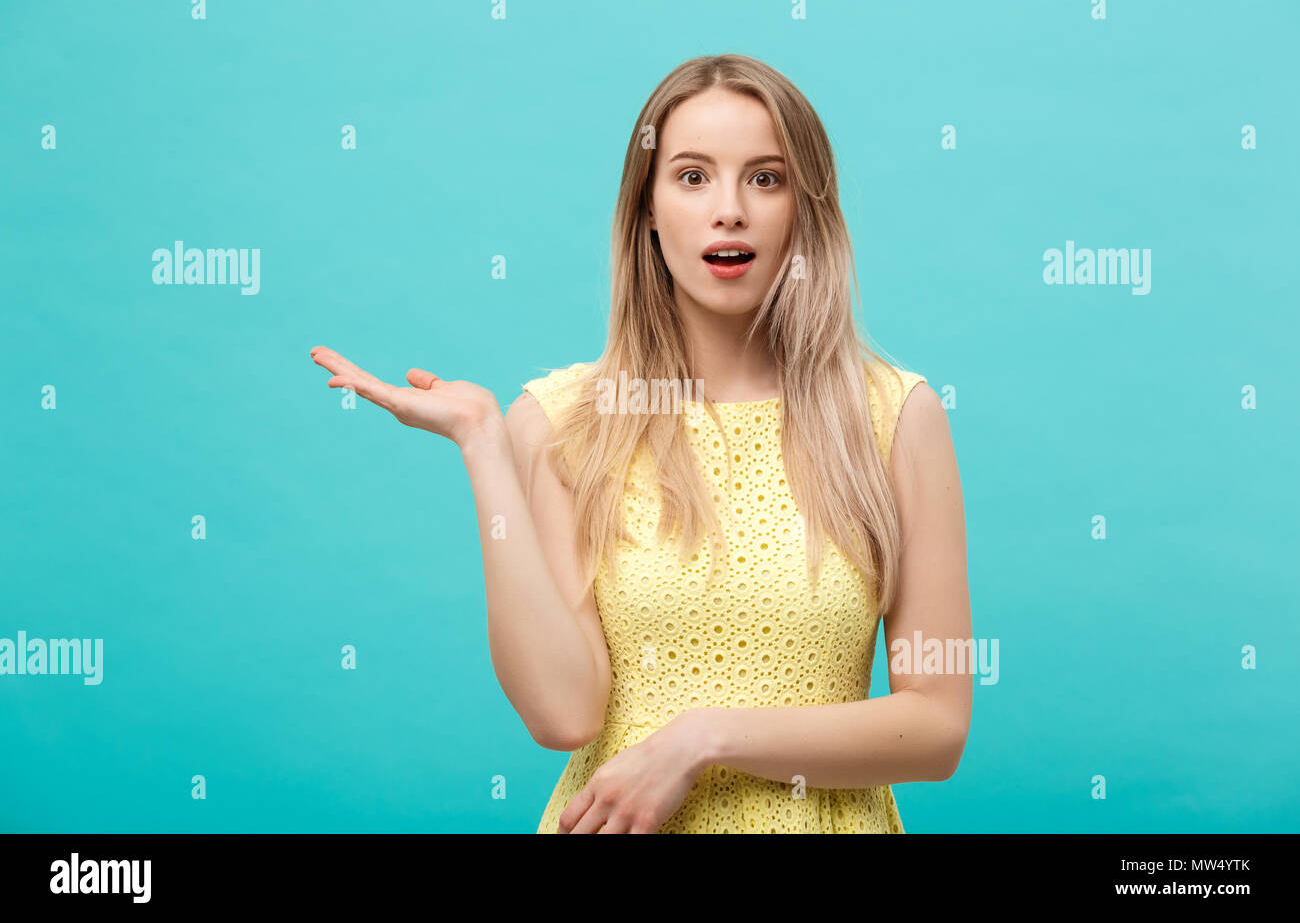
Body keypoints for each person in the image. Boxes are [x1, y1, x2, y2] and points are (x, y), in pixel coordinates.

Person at [310, 53, 971, 833]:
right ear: (648, 209)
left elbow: (937, 727)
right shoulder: (561, 421)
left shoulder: (897, 417)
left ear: (805, 208)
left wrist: (704, 738)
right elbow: (564, 713)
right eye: (692, 177)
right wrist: (485, 446)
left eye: (765, 178)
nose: (729, 210)